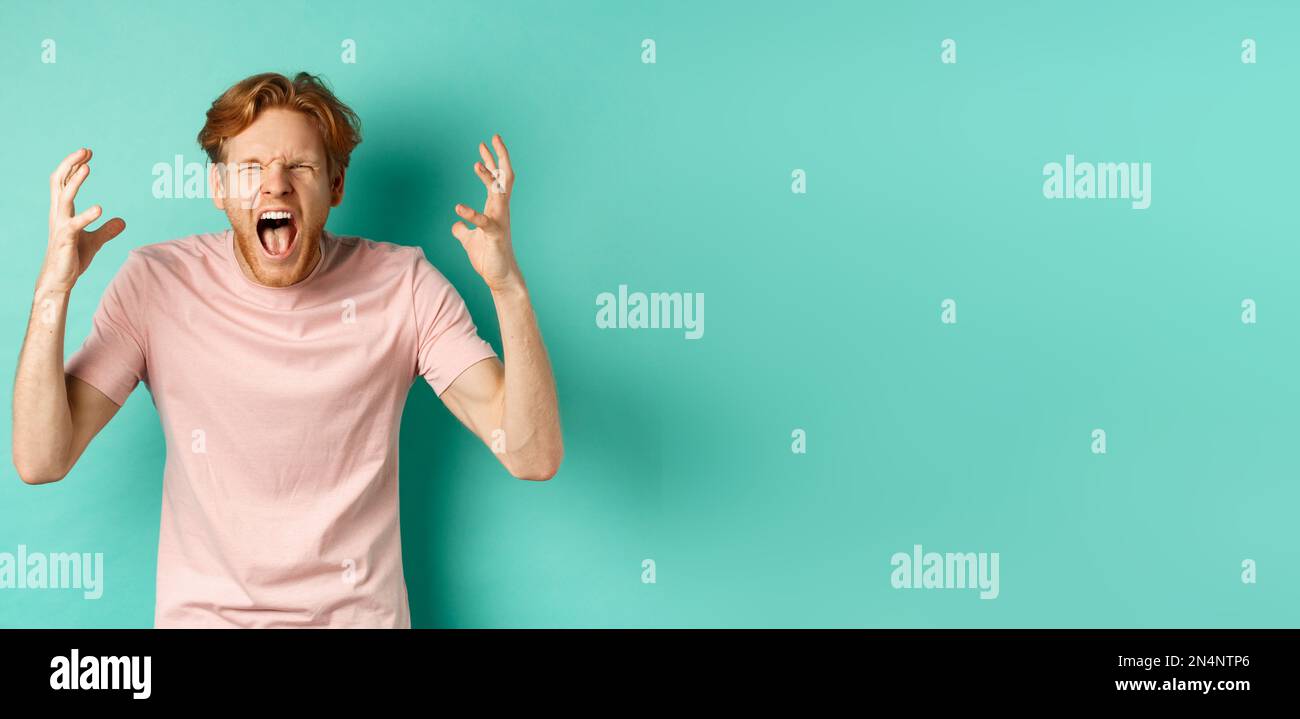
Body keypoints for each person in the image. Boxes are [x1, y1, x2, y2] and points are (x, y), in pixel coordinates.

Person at [11, 71, 563, 628]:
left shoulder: (405, 286)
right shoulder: (155, 284)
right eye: (251, 168)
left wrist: (507, 288)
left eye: (299, 166)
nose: (275, 185)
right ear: (219, 188)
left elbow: (531, 455)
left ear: (337, 185)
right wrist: (52, 291)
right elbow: (41, 459)